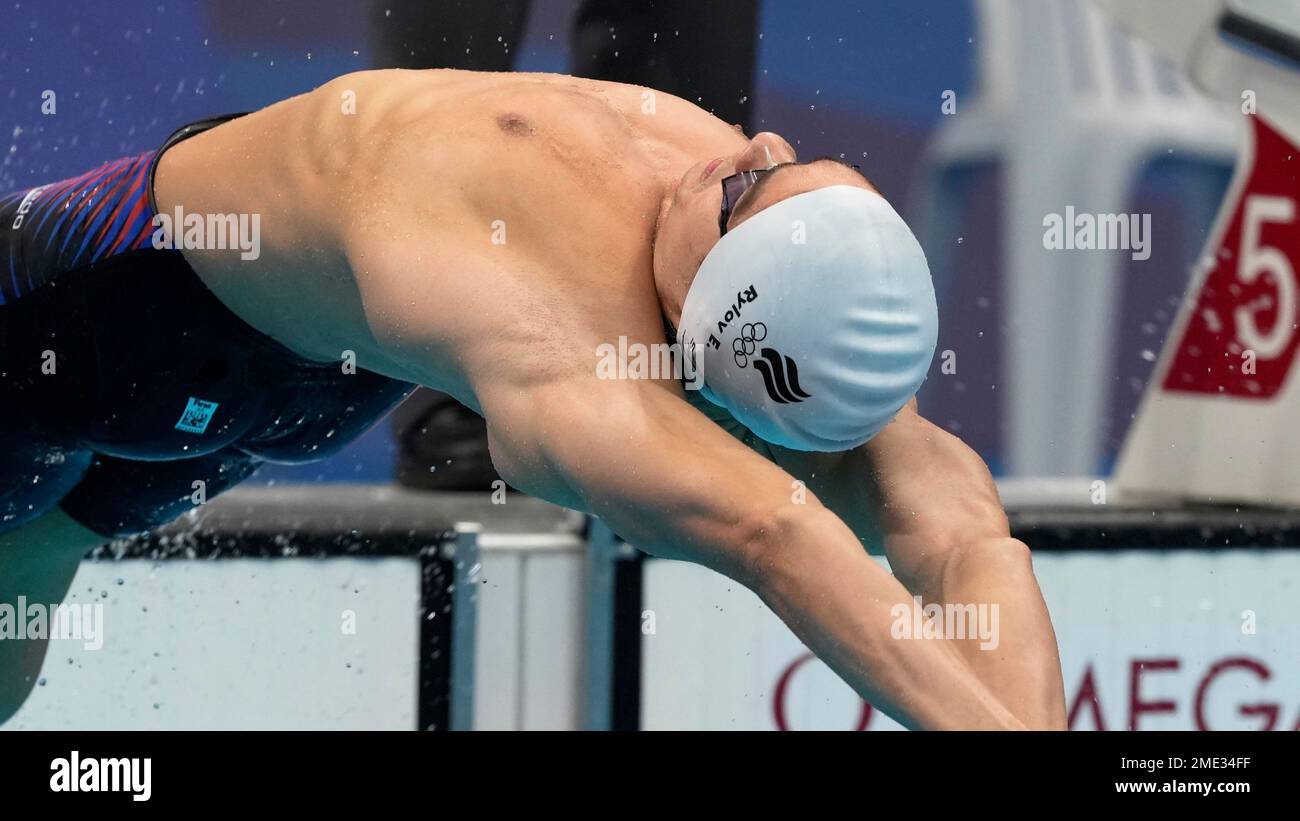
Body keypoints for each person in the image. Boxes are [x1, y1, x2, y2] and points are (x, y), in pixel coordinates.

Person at [0, 69, 1066, 729]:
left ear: (721, 312)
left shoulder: (562, 354)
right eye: (794, 165)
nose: (750, 148)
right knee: (37, 556)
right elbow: (896, 535)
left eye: (745, 190)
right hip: (238, 346)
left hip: (133, 314)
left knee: (28, 554)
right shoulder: (733, 301)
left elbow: (857, 539)